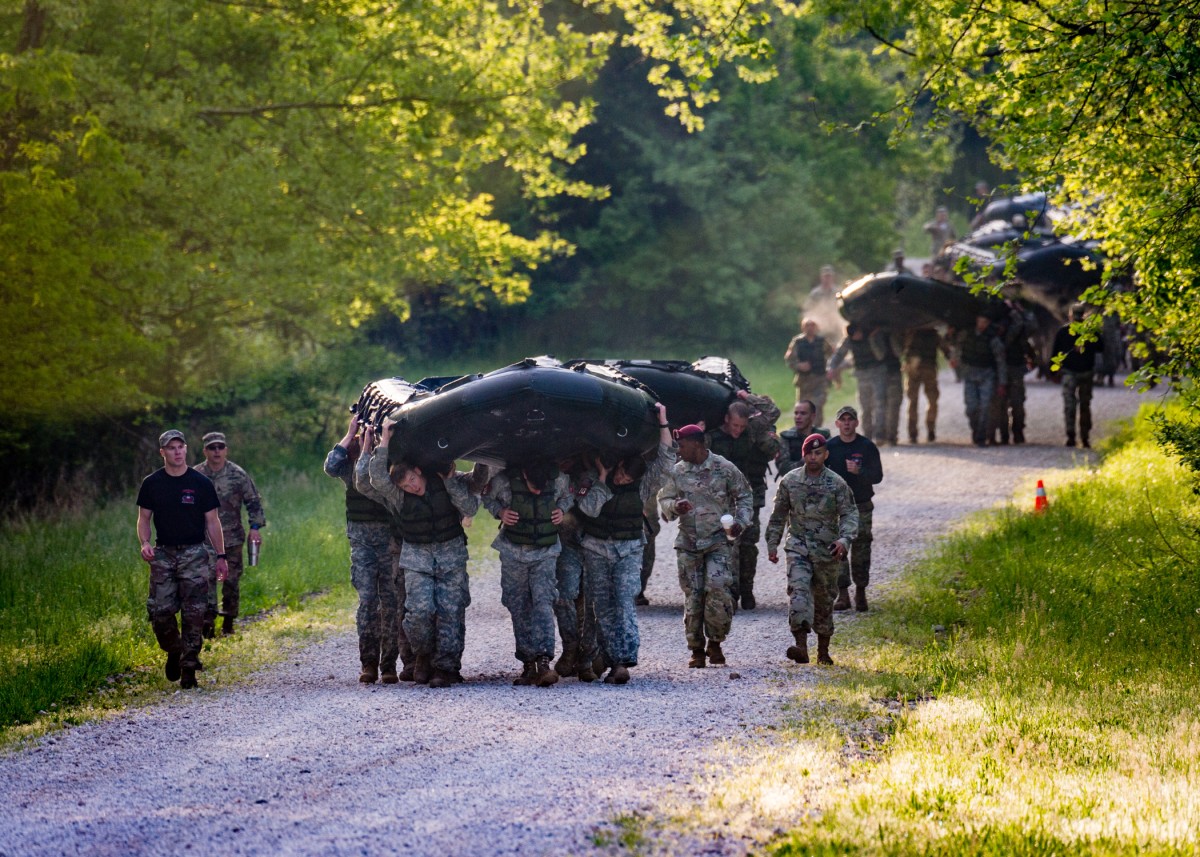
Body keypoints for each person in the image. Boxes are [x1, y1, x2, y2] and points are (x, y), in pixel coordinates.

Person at [363, 421, 481, 688]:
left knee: (451, 611)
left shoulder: (445, 482)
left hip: (450, 554)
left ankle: (446, 667)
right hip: (417, 557)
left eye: (412, 481)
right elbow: (377, 478)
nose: (412, 487)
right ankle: (423, 655)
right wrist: (383, 440)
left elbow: (470, 506)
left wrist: (451, 483)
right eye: (406, 486)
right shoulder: (399, 497)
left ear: (418, 471)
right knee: (418, 612)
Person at [574, 404, 675, 684]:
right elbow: (589, 509)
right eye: (621, 475)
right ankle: (610, 659)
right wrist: (605, 480)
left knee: (624, 601)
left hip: (629, 548)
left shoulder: (642, 485)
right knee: (602, 606)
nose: (623, 480)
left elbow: (666, 460)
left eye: (627, 479)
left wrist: (663, 422)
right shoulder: (594, 477)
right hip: (595, 547)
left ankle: (623, 661)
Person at [136, 430, 227, 690]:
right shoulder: (152, 483)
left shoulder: (200, 483)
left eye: (181, 447)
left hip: (194, 554)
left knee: (194, 613)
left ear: (186, 449)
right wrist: (144, 543)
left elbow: (212, 521)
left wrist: (220, 556)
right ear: (162, 452)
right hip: (163, 554)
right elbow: (144, 518)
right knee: (160, 613)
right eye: (171, 448)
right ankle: (174, 650)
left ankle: (189, 667)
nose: (177, 452)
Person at [657, 424, 753, 668]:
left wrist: (740, 523)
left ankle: (716, 643)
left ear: (698, 444)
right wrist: (674, 507)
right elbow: (664, 498)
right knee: (694, 595)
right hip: (688, 543)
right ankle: (696, 649)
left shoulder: (724, 468)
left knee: (718, 589)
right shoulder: (677, 472)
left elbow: (744, 496)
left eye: (683, 445)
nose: (679, 450)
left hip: (718, 542)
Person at [766, 433, 858, 666]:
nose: (813, 457)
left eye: (818, 453)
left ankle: (823, 651)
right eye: (809, 453)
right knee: (798, 593)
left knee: (824, 599)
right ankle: (801, 646)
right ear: (803, 454)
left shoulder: (837, 484)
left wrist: (844, 540)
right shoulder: (790, 481)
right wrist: (772, 544)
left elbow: (849, 513)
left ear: (826, 455)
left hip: (827, 550)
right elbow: (778, 516)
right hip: (798, 546)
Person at [324, 413, 401, 685]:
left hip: (389, 543)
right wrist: (350, 434)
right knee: (368, 602)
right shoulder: (350, 466)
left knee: (390, 604)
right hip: (362, 544)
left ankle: (389, 664)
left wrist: (380, 441)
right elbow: (330, 466)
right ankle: (368, 663)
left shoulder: (388, 460)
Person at [483, 460, 574, 687]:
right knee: (518, 604)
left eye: (543, 488)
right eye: (535, 487)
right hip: (514, 551)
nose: (539, 491)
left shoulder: (558, 479)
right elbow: (485, 498)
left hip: (545, 552)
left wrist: (562, 510)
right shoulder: (503, 482)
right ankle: (527, 663)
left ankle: (544, 662)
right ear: (524, 475)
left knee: (543, 602)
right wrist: (500, 511)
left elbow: (570, 496)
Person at [705, 391, 781, 610]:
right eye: (735, 426)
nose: (738, 430)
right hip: (723, 500)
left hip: (749, 496)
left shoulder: (752, 430)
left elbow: (772, 411)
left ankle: (747, 590)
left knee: (748, 545)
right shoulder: (712, 436)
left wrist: (746, 397)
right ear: (726, 419)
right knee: (729, 545)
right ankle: (731, 592)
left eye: (742, 426)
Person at [193, 431, 264, 637]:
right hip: (203, 540)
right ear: (205, 450)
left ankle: (229, 623)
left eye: (220, 447)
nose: (217, 451)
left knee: (231, 581)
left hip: (232, 538)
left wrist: (255, 528)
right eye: (212, 448)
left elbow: (253, 502)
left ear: (226, 450)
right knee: (206, 581)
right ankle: (208, 626)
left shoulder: (237, 474)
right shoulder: (196, 475)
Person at [824, 406, 883, 613]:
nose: (847, 423)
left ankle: (861, 591)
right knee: (838, 549)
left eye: (851, 419)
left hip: (862, 505)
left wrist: (861, 471)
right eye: (843, 420)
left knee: (862, 548)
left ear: (857, 423)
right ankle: (842, 593)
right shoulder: (830, 447)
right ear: (837, 423)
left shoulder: (866, 446)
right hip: (837, 507)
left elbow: (878, 476)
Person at [1052, 304, 1104, 448]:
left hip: (1074, 372)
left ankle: (1074, 436)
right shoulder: (1089, 331)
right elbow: (1101, 347)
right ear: (1084, 315)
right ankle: (1082, 437)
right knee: (1083, 406)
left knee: (1072, 406)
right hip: (1082, 372)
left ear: (1070, 315)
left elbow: (1055, 353)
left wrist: (1052, 372)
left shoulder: (1064, 332)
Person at [952, 311, 1007, 447]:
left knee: (985, 407)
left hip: (987, 376)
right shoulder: (967, 334)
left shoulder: (992, 339)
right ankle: (976, 430)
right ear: (976, 321)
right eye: (980, 321)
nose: (982, 325)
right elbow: (957, 350)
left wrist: (1002, 382)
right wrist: (957, 369)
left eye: (985, 322)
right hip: (970, 375)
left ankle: (981, 436)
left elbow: (1000, 361)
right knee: (971, 408)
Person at [828, 322, 885, 441]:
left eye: (858, 334)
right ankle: (867, 434)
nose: (857, 337)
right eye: (854, 336)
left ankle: (879, 434)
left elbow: (880, 355)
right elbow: (839, 354)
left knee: (879, 405)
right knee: (865, 407)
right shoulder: (848, 340)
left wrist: (871, 340)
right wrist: (831, 367)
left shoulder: (872, 337)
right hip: (862, 376)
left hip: (876, 374)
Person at [989, 301, 1036, 445]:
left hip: (1014, 366)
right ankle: (1007, 433)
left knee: (1015, 403)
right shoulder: (1003, 323)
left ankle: (1015, 432)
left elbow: (1030, 327)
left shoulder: (1016, 324)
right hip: (1004, 368)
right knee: (1003, 403)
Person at [902, 327, 951, 443]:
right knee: (932, 400)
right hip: (929, 368)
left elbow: (902, 348)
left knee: (913, 401)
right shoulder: (934, 334)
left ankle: (913, 433)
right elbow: (946, 350)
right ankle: (930, 430)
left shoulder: (910, 332)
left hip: (914, 368)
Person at [784, 316, 834, 424]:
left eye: (812, 325)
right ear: (803, 328)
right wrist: (799, 365)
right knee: (802, 410)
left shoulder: (822, 341)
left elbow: (833, 356)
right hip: (804, 381)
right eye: (807, 325)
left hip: (820, 379)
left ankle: (817, 432)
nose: (810, 328)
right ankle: (803, 434)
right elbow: (789, 360)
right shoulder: (797, 342)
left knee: (817, 406)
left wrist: (831, 369)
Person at [869, 326, 904, 445]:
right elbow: (880, 355)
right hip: (880, 373)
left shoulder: (895, 335)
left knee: (894, 404)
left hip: (894, 372)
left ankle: (891, 436)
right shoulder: (872, 337)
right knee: (880, 404)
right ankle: (880, 435)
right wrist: (873, 338)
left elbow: (899, 352)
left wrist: (892, 336)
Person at [777, 400, 830, 476]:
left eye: (803, 413)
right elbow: (783, 469)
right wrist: (802, 462)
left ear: (812, 416)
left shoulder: (824, 436)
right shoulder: (787, 438)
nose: (798, 417)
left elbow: (833, 463)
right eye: (796, 413)